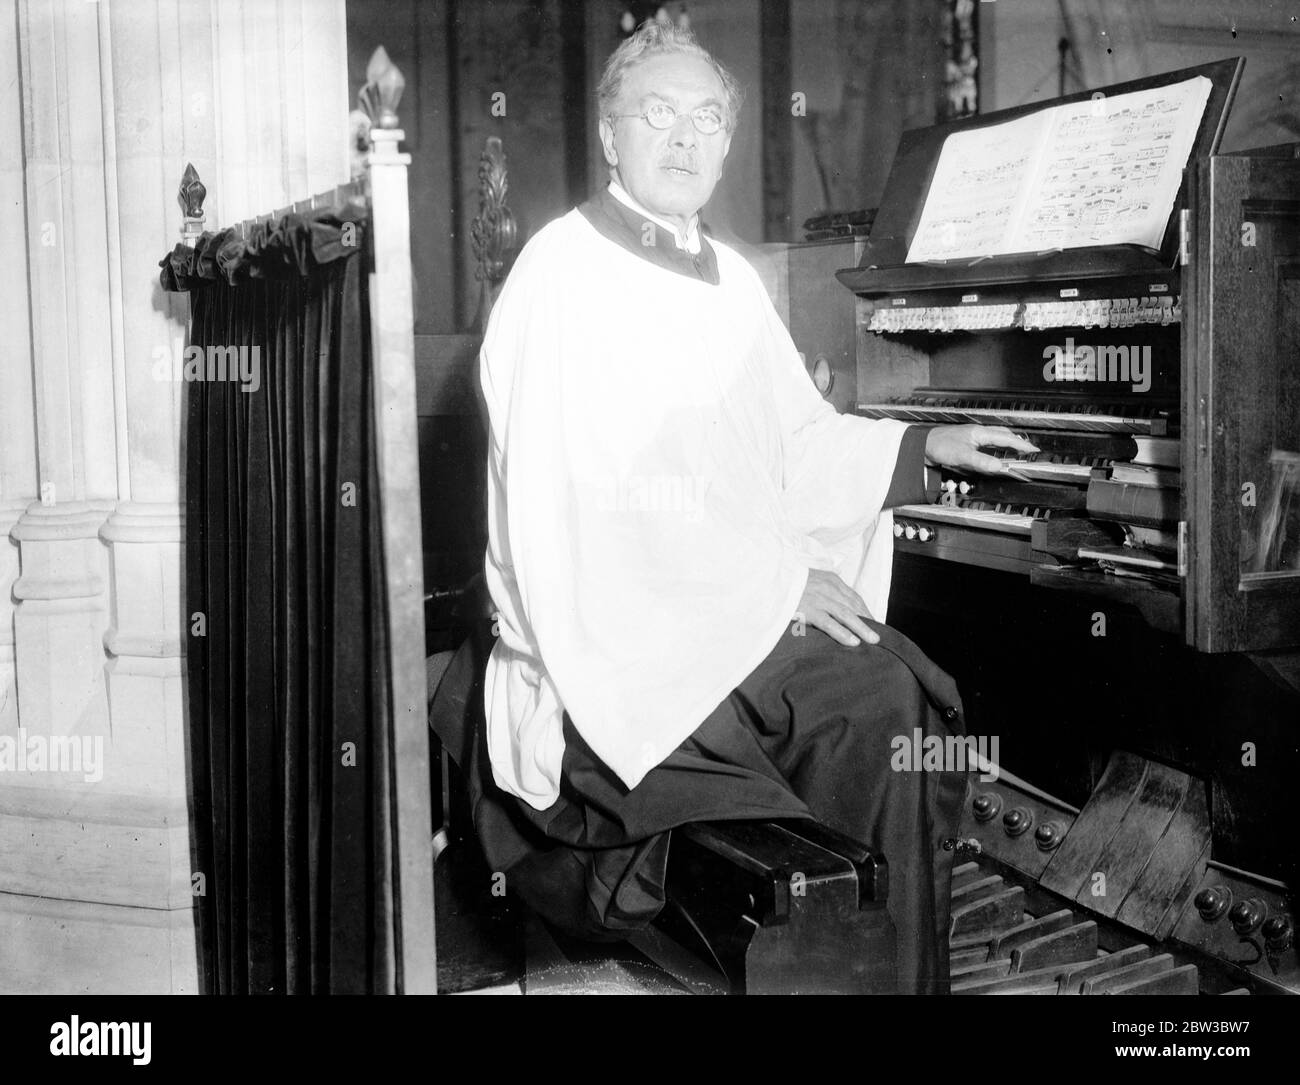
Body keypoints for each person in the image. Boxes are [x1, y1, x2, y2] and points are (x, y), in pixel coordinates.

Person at [470, 20, 1036, 994]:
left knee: (887, 698)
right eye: (657, 115)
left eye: (706, 120)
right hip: (611, 653)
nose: (684, 140)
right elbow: (582, 516)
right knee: (862, 711)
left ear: (727, 144)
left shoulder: (728, 281)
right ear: (609, 136)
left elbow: (797, 443)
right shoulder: (560, 278)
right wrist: (777, 583)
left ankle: (893, 978)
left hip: (724, 618)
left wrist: (917, 445)